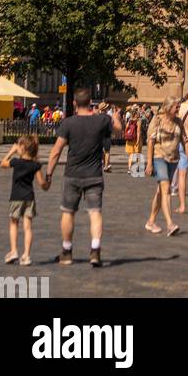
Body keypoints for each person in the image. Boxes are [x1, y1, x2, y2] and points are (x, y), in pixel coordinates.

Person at [44, 86, 123, 267]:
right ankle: (95, 251)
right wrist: (116, 117)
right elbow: (118, 131)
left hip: (72, 174)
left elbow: (56, 151)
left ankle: (66, 252)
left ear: (74, 103)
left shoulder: (68, 123)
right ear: (90, 103)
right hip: (94, 175)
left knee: (68, 212)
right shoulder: (101, 120)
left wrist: (48, 175)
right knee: (95, 213)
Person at [145, 98, 188, 237]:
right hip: (159, 157)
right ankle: (170, 224)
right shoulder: (157, 120)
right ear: (168, 107)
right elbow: (150, 142)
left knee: (160, 192)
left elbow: (185, 141)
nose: (178, 109)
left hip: (174, 159)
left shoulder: (178, 122)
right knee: (166, 189)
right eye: (176, 107)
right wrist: (149, 163)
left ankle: (151, 221)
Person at [1, 134, 47, 266]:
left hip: (15, 197)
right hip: (29, 198)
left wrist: (11, 151)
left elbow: (2, 163)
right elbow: (42, 184)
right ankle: (26, 255)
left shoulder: (16, 162)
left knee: (14, 224)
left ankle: (14, 250)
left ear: (22, 148)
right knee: (28, 228)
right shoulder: (35, 165)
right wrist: (47, 182)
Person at [124, 104, 143, 174]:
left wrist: (126, 135)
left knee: (130, 155)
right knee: (138, 154)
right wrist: (138, 140)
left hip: (129, 139)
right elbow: (138, 131)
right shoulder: (138, 121)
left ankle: (129, 168)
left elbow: (126, 128)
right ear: (137, 114)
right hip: (136, 139)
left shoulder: (129, 120)